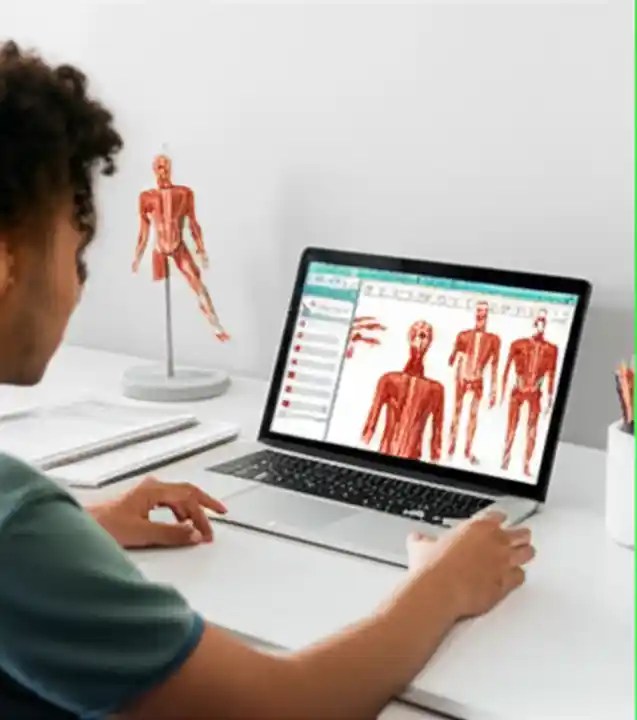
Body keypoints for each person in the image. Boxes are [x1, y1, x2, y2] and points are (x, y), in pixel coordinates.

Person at [0, 40, 533, 718]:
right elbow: (283, 708)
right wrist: (445, 585)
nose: (78, 286)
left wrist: (83, 532)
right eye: (76, 254)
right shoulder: (16, 530)